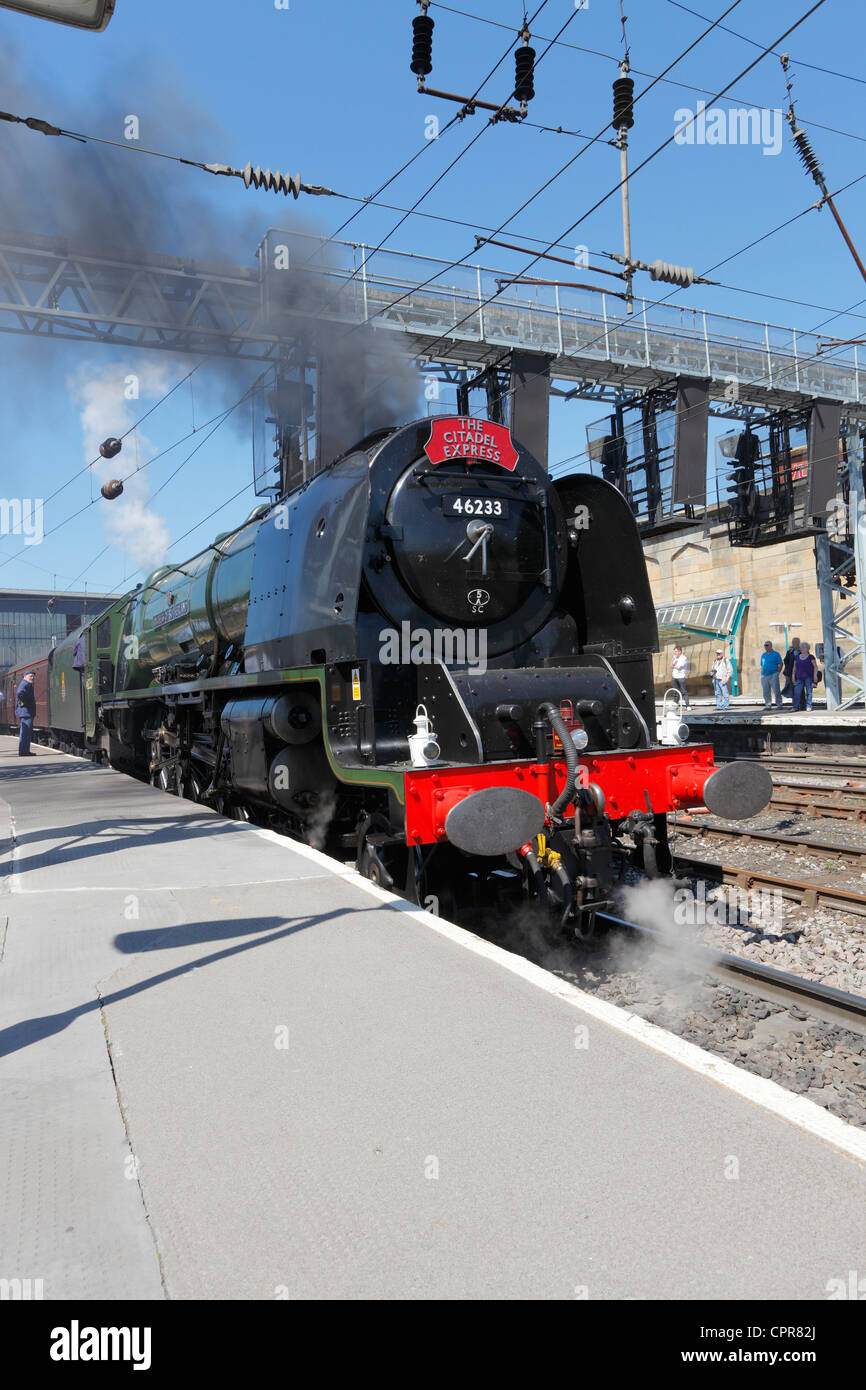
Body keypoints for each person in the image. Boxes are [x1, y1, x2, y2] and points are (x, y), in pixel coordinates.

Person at [792, 641, 820, 712]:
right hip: (799, 677)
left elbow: (815, 667)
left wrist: (815, 676)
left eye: (804, 647)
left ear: (808, 649)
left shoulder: (811, 657)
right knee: (797, 692)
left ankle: (809, 706)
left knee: (809, 692)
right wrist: (793, 676)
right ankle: (795, 707)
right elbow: (794, 668)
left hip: (809, 677)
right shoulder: (797, 657)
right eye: (801, 647)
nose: (802, 649)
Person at [15, 670, 37, 756]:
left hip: (26, 712)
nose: (32, 678)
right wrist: (22, 702)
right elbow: (19, 694)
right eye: (30, 676)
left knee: (25, 732)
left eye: (33, 676)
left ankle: (24, 751)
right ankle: (24, 751)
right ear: (25, 676)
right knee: (25, 733)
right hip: (26, 712)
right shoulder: (25, 684)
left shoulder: (27, 684)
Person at [760, 640, 784, 709]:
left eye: (767, 645)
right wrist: (761, 672)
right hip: (764, 675)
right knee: (766, 691)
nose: (766, 647)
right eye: (765, 645)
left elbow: (780, 663)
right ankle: (768, 705)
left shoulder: (776, 654)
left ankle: (779, 704)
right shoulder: (763, 655)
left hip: (773, 674)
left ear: (771, 646)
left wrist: (777, 673)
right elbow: (761, 665)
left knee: (776, 690)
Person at [782, 636, 801, 701]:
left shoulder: (802, 651)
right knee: (792, 689)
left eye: (795, 642)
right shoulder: (790, 651)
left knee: (800, 690)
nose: (794, 644)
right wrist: (786, 673)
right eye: (793, 642)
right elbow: (786, 662)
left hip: (800, 673)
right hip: (790, 673)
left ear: (799, 643)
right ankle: (794, 704)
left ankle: (801, 704)